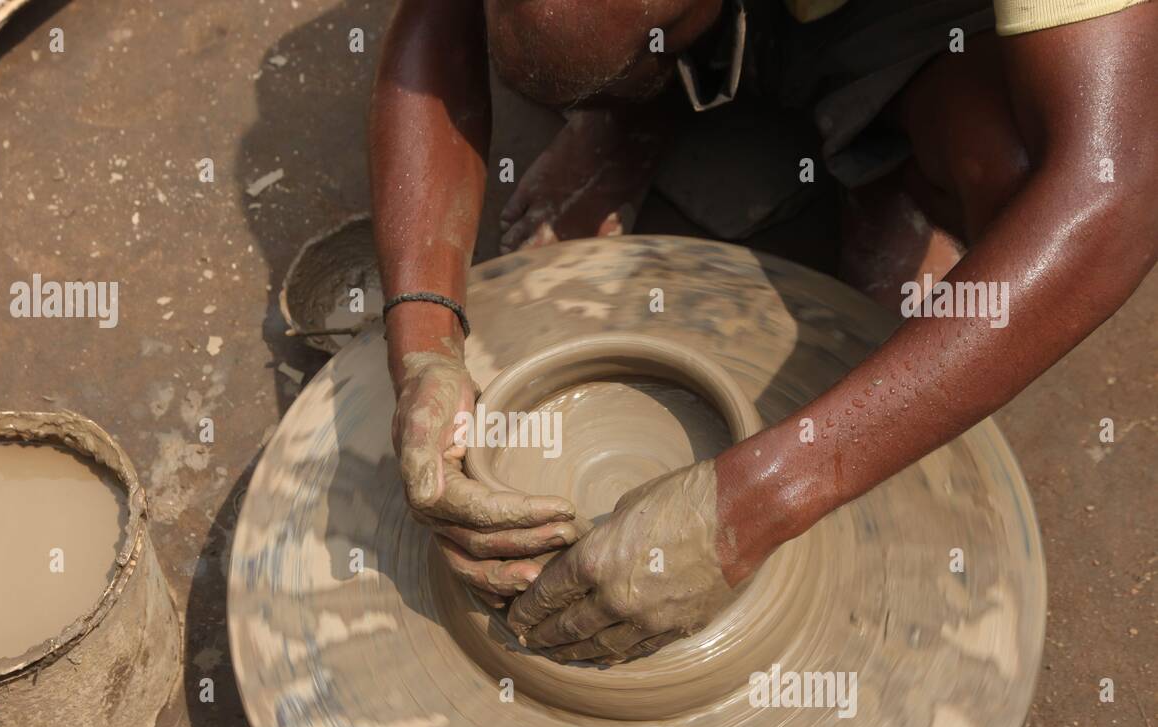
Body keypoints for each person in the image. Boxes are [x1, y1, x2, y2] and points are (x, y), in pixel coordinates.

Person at [369, 0, 1158, 663]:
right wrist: (425, 343)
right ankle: (640, 101)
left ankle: (897, 162)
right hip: (705, 18)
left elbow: (1116, 190)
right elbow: (441, 13)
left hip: (920, 26)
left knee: (1016, 169)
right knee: (554, 19)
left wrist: (757, 499)